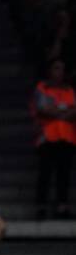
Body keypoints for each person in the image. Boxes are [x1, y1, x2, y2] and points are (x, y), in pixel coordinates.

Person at [32, 58, 76, 218]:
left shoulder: (69, 90)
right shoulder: (42, 88)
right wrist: (64, 111)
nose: (60, 72)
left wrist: (56, 110)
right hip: (47, 137)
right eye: (56, 68)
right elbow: (43, 108)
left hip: (67, 137)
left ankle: (62, 207)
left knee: (63, 174)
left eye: (62, 69)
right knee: (45, 173)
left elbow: (74, 111)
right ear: (50, 70)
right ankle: (41, 206)